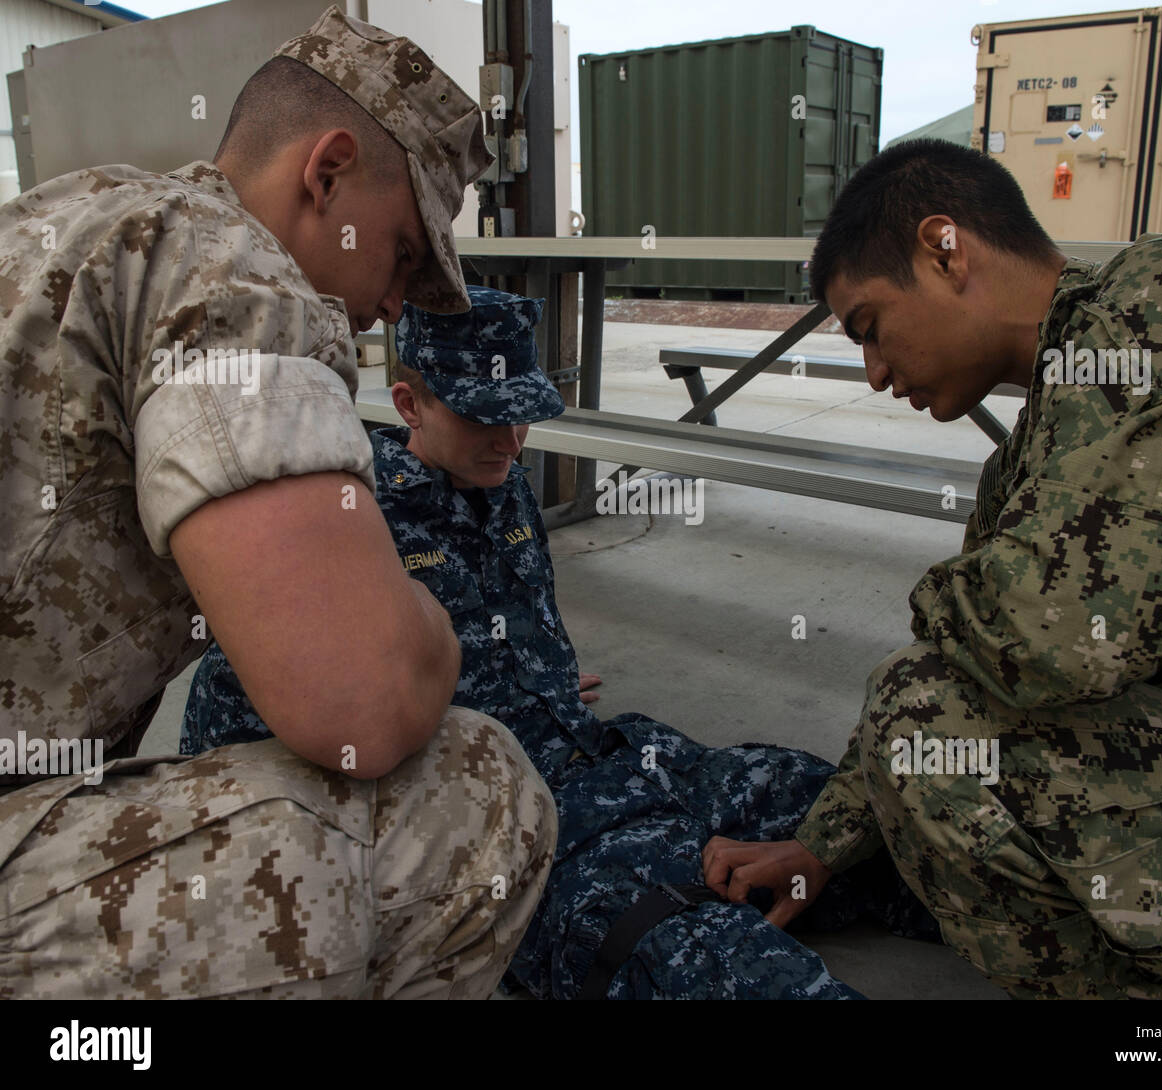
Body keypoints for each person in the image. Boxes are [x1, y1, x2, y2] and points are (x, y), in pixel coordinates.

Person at [0, 6, 554, 999]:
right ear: (326, 172)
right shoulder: (232, 266)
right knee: (478, 790)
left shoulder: (69, 215)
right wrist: (432, 632)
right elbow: (358, 700)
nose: (395, 304)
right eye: (402, 256)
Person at [184, 286, 941, 1000]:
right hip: (517, 825)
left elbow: (513, 616)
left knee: (850, 813)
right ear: (410, 404)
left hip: (603, 757)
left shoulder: (497, 476)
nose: (513, 443)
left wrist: (528, 678)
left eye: (524, 417)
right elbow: (234, 728)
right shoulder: (345, 519)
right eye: (487, 419)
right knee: (697, 954)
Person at [705, 137, 1162, 999]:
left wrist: (944, 601)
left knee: (924, 717)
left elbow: (1056, 636)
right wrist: (822, 846)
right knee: (926, 710)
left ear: (945, 251)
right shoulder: (1034, 456)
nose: (872, 374)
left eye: (871, 328)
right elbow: (979, 653)